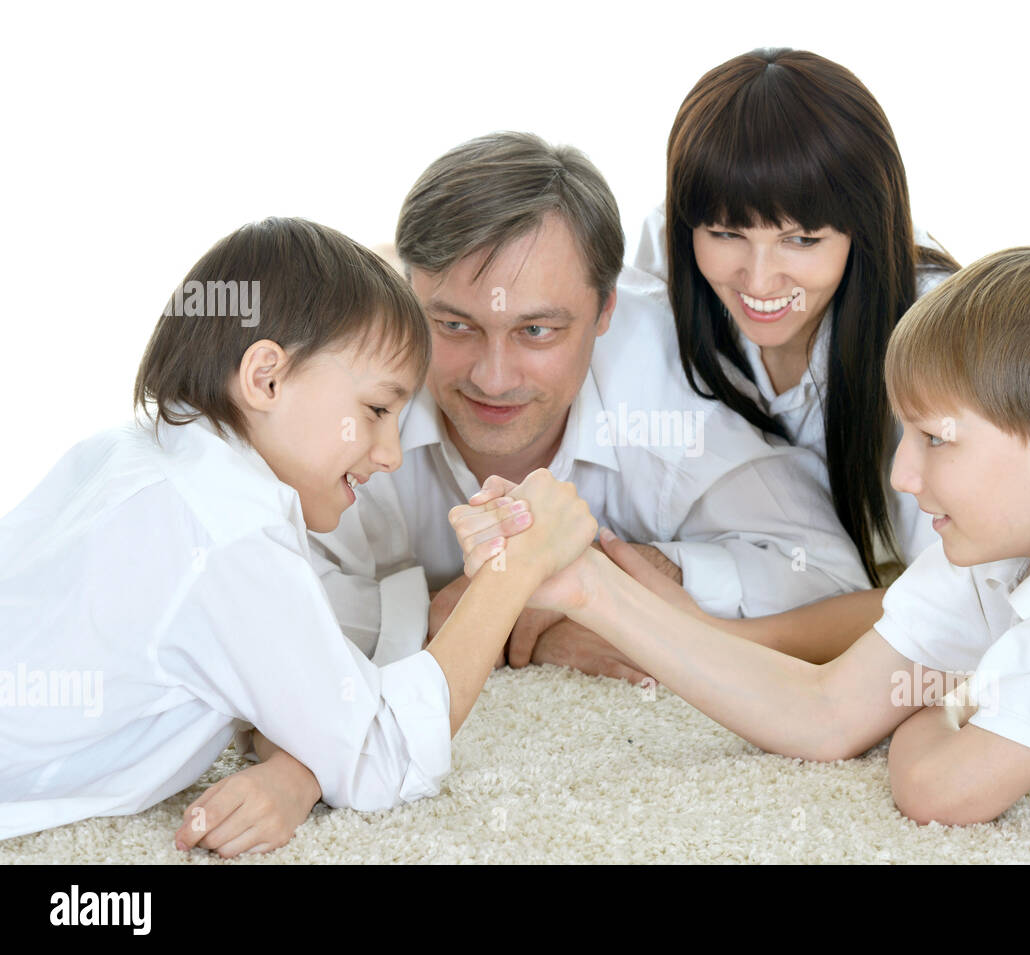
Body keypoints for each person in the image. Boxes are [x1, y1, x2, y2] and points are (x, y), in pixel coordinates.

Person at [461, 247, 1030, 821]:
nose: (903, 476)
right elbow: (824, 712)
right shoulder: (1007, 535)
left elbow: (941, 788)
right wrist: (591, 588)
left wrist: (951, 699)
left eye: (935, 439)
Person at [0, 217, 597, 854]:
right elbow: (383, 755)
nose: (391, 453)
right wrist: (514, 571)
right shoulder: (229, 534)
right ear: (266, 379)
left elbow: (299, 671)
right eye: (376, 410)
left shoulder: (130, 454)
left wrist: (296, 773)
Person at [309, 131, 872, 684]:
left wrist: (629, 580)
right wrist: (480, 610)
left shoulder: (667, 390)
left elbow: (830, 576)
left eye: (536, 330)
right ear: (407, 296)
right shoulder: (341, 382)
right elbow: (250, 583)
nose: (493, 377)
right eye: (455, 325)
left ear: (606, 310)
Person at [634, 48, 960, 598]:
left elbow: (952, 597)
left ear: (864, 228)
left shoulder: (931, 333)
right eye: (726, 234)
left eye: (802, 240)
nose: (759, 281)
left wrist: (693, 636)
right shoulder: (664, 257)